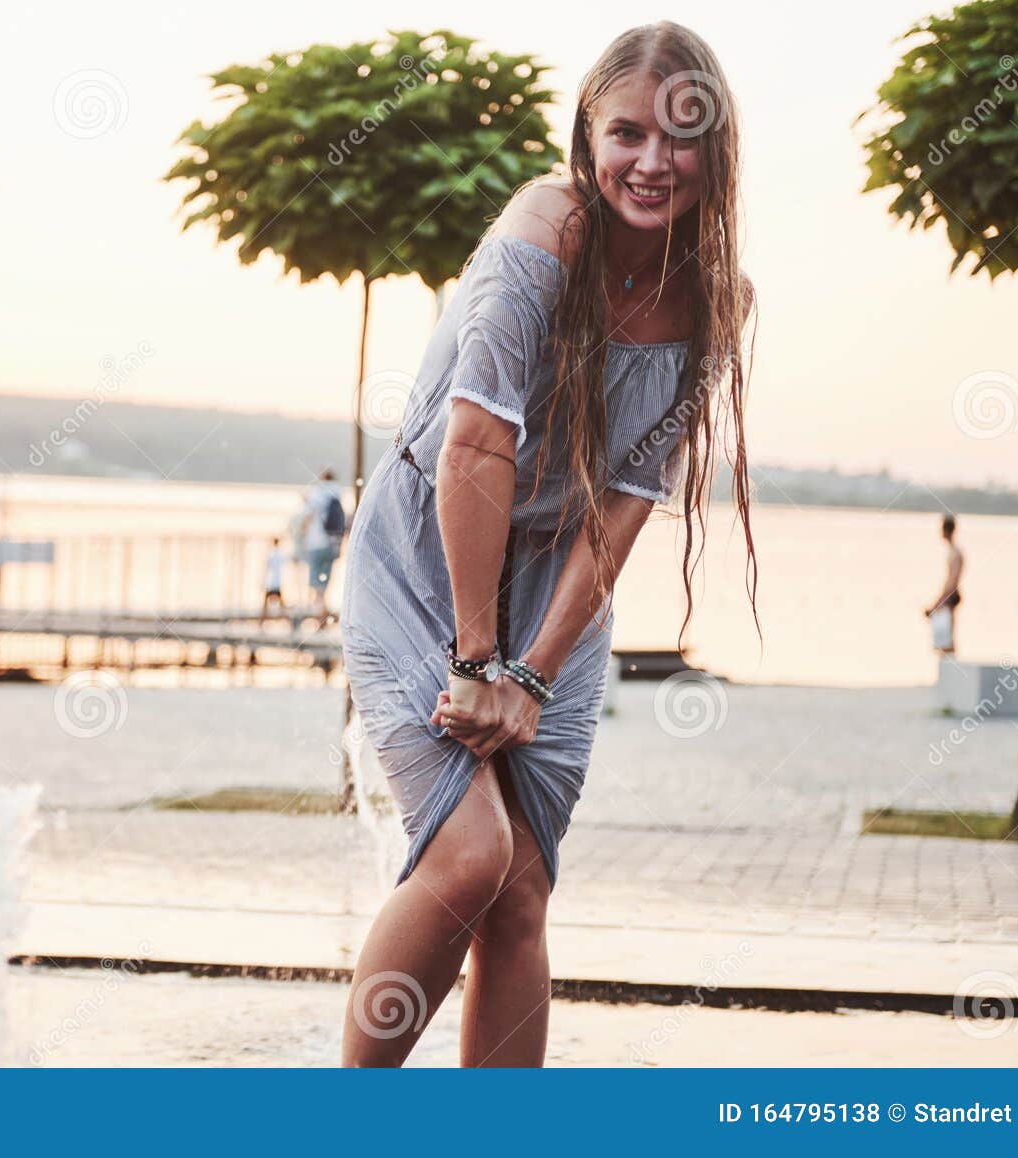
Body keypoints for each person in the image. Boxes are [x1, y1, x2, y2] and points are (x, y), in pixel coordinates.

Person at [336, 22, 757, 1067]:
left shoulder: (715, 301)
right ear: (586, 135)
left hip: (558, 594)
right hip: (430, 556)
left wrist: (532, 672)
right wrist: (478, 663)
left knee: (520, 888)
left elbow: (619, 508)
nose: (651, 162)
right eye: (626, 132)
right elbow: (475, 439)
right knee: (471, 854)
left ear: (717, 150)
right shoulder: (546, 227)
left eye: (681, 136)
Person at [298, 468, 346, 627]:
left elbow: (306, 518)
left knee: (315, 584)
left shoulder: (317, 494)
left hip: (316, 544)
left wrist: (302, 538)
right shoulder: (337, 495)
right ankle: (323, 617)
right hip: (332, 546)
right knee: (324, 584)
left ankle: (320, 618)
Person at [925, 514, 964, 655]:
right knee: (943, 638)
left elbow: (952, 582)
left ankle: (950, 668)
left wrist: (939, 603)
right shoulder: (953, 552)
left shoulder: (955, 553)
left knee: (946, 639)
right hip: (948, 597)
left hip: (950, 597)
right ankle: (946, 667)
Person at [260, 537, 287, 625]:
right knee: (282, 605)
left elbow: (266, 568)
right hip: (277, 582)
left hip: (271, 581)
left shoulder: (271, 554)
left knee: (265, 605)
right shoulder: (280, 554)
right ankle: (288, 623)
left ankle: (261, 623)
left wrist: (263, 581)